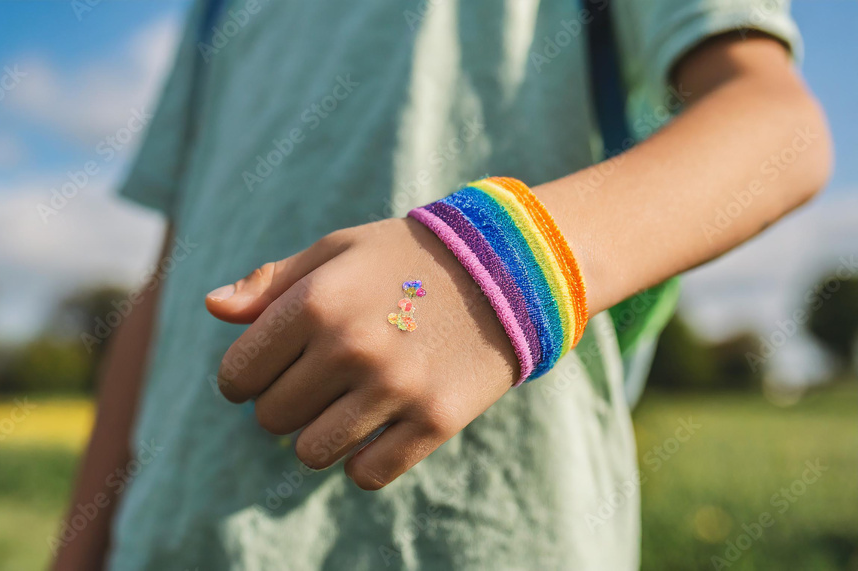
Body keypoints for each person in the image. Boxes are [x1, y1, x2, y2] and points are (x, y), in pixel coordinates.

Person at [53, 0, 832, 569]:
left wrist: (491, 268)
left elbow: (776, 126)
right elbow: (173, 272)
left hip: (493, 539)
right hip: (168, 542)